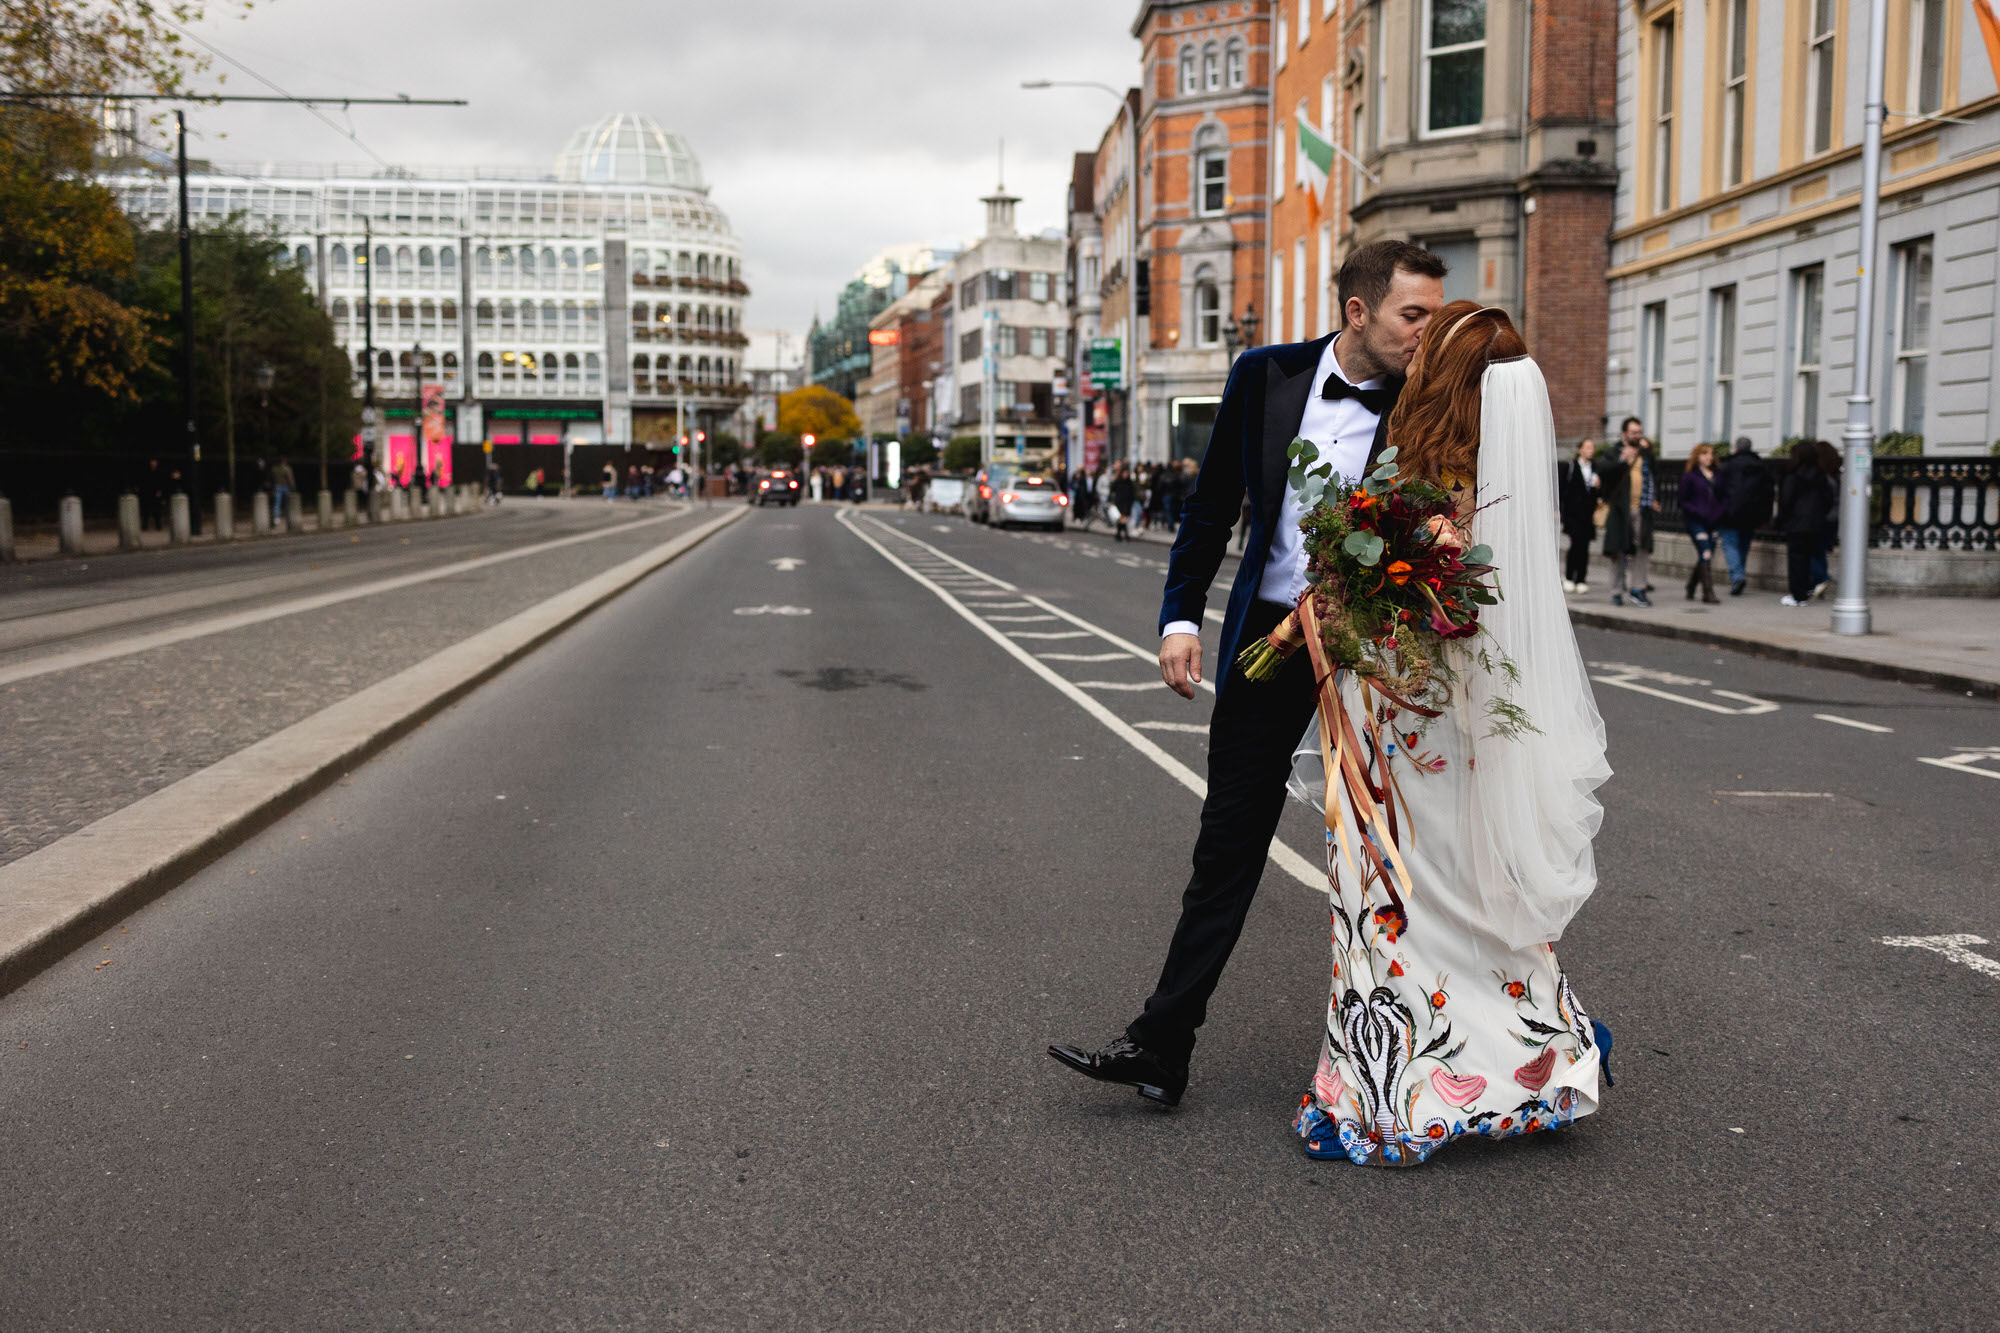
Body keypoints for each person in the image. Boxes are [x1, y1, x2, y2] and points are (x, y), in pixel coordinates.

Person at [1048, 239, 1447, 1107]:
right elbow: (1212, 503)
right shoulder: (1263, 376)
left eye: (1432, 315)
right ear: (1358, 311)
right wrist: (1181, 616)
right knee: (1226, 847)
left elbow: (1448, 521)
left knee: (1393, 860)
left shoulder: (1437, 400)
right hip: (1269, 643)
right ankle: (1163, 1044)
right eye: (1412, 315)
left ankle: (1420, 1054)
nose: (1427, 332)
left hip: (1374, 655)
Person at [1285, 302, 1612, 1165]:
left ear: (1452, 380)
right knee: (1461, 892)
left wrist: (1335, 610)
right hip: (1454, 728)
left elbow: (1424, 623)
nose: (1416, 346)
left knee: (1394, 899)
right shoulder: (1486, 483)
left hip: (1399, 730)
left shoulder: (1430, 494)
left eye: (1432, 343)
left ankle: (1401, 1086)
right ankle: (1531, 1057)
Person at [1776, 440, 1836, 607]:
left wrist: (1782, 520)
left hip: (1797, 522)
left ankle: (1799, 595)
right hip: (1816, 522)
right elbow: (1828, 500)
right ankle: (1808, 588)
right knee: (1811, 555)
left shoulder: (1793, 476)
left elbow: (1785, 501)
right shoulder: (1821, 476)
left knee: (1796, 559)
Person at [1597, 436, 1654, 606]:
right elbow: (1604, 473)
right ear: (1624, 436)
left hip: (1641, 510)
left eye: (1639, 433)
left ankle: (1638, 588)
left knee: (1642, 549)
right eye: (1632, 434)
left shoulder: (1646, 458)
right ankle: (1616, 590)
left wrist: (1653, 499)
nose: (1636, 438)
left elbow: (1652, 479)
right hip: (1620, 511)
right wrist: (1622, 460)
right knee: (1617, 551)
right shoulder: (1613, 455)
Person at [1715, 436, 1772, 595]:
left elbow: (1718, 489)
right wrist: (1764, 515)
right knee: (1743, 546)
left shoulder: (1728, 465)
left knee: (1730, 544)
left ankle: (1737, 576)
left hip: (1730, 512)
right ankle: (1739, 575)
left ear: (1736, 448)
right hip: (1751, 513)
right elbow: (1767, 493)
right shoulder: (1760, 466)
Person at [1678, 442, 1724, 603]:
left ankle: (1691, 585)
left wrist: (1719, 512)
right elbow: (1683, 500)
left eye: (1711, 454)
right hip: (1696, 521)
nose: (1709, 457)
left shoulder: (1718, 475)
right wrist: (1697, 511)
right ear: (1697, 456)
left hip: (1713, 521)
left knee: (1707, 555)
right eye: (1705, 454)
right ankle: (1707, 592)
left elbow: (1723, 497)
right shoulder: (1690, 476)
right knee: (1705, 552)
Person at [1556, 439, 1599, 593]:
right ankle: (1569, 576)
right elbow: (1563, 489)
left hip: (1587, 514)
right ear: (1580, 449)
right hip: (1573, 513)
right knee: (1575, 544)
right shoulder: (1571, 467)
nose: (1590, 451)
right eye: (1587, 447)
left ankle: (1581, 578)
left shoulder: (1594, 468)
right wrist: (1559, 509)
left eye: (1592, 448)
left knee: (1585, 546)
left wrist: (1597, 487)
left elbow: (1595, 492)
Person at [1811, 439, 1843, 598]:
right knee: (1819, 550)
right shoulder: (1838, 474)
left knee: (1813, 550)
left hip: (1824, 517)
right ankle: (1819, 581)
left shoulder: (1824, 476)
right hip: (1835, 518)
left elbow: (1825, 499)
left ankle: (1821, 577)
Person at [1107, 463, 1135, 542]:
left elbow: (1132, 493)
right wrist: (1110, 501)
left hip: (1127, 503)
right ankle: (1123, 534)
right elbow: (1112, 490)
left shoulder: (1129, 482)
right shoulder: (1118, 481)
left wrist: (1131, 501)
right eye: (1124, 473)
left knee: (1123, 518)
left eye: (1126, 473)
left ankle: (1120, 534)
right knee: (1120, 518)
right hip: (1119, 502)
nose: (1125, 475)